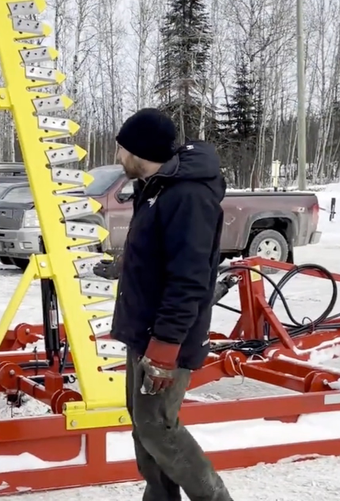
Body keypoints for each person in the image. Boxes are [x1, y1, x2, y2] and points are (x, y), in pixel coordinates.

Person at [108, 108, 234, 501]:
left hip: (166, 339)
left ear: (140, 150)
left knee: (159, 429)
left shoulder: (187, 195)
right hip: (143, 331)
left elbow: (189, 279)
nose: (117, 157)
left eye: (121, 149)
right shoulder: (158, 187)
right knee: (145, 428)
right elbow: (160, 256)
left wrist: (164, 349)